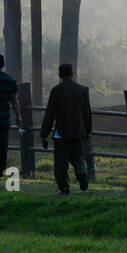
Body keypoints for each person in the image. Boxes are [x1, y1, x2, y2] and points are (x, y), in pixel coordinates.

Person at [40, 63, 92, 195]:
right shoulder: (83, 90)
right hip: (78, 131)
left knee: (61, 163)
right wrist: (87, 131)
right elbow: (87, 113)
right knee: (78, 157)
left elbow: (50, 114)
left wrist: (44, 134)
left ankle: (64, 188)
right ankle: (82, 174)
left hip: (62, 132)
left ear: (60, 74)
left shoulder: (56, 90)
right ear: (72, 73)